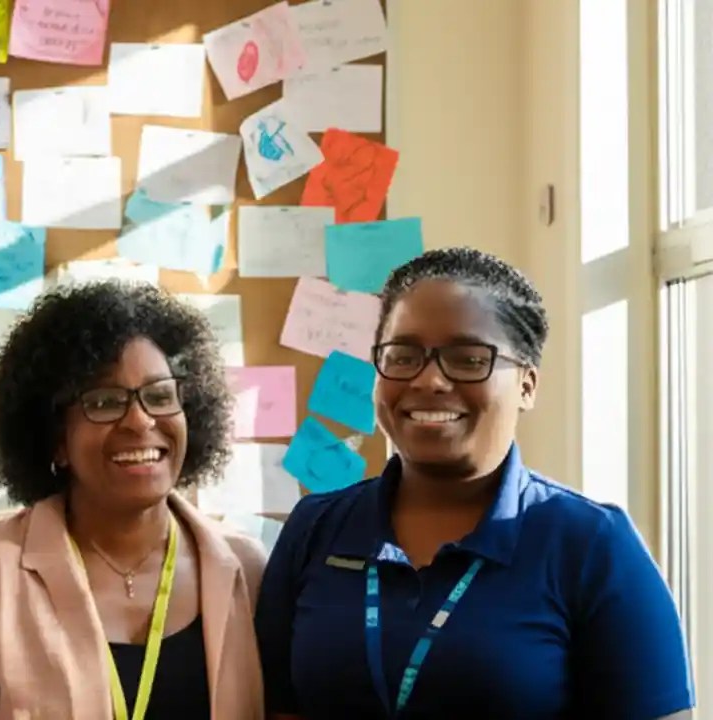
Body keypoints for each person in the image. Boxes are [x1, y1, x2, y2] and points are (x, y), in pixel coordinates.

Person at [256, 247, 695, 719]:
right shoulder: (316, 528)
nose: (429, 380)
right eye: (403, 356)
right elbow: (276, 707)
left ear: (527, 384)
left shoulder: (591, 544)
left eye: (467, 359)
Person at [0, 281, 267, 719]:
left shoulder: (246, 569)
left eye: (159, 395)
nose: (140, 419)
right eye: (104, 401)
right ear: (56, 439)